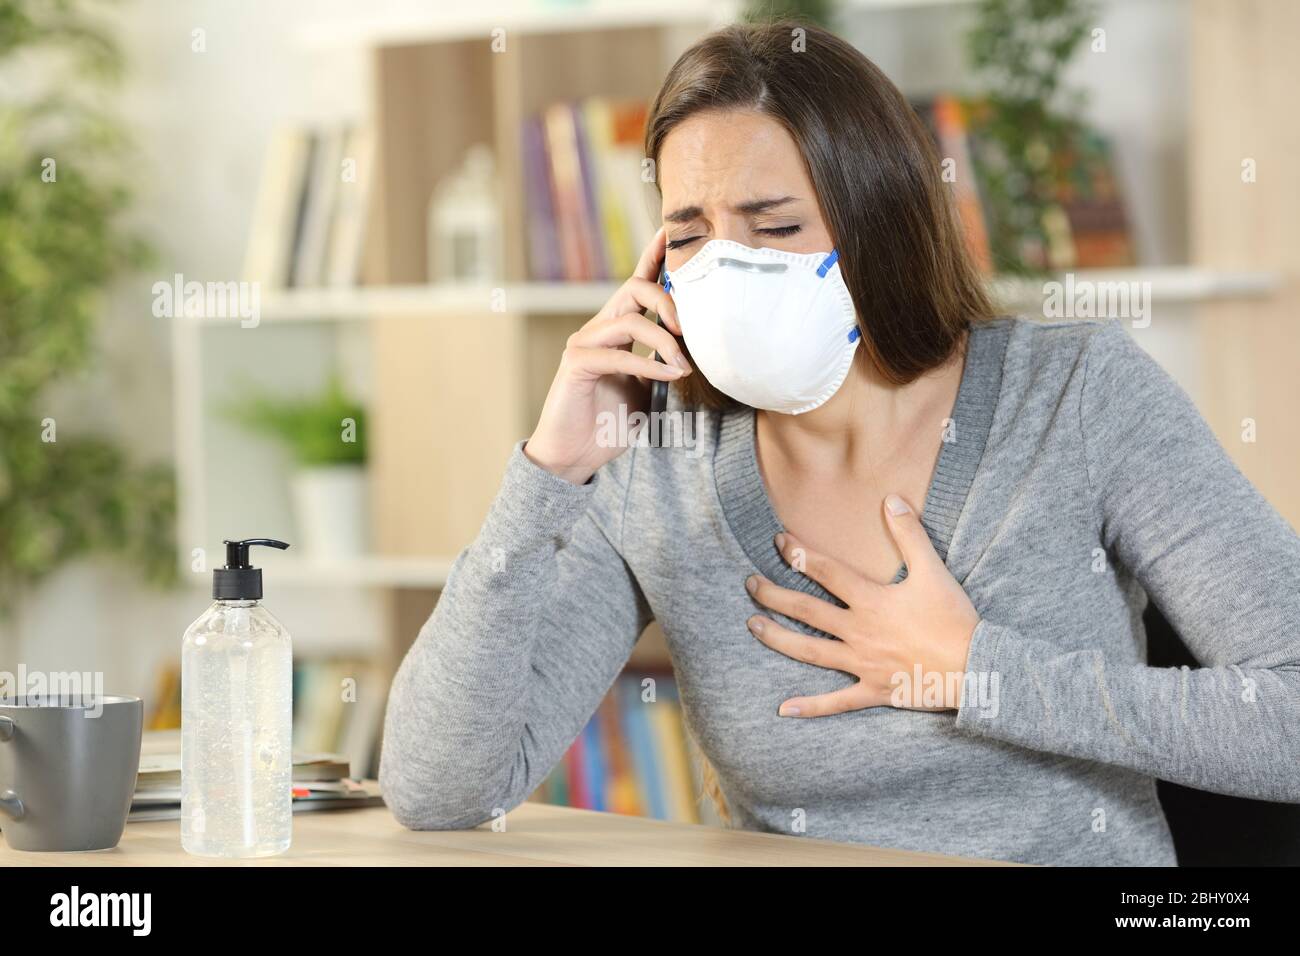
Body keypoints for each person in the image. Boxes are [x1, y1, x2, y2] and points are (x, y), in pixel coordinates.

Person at [379, 21, 1300, 865]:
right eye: (689, 234)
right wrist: (550, 471)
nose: (729, 267)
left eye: (774, 226)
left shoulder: (1075, 393)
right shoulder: (658, 461)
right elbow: (439, 789)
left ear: (878, 223)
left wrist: (978, 674)